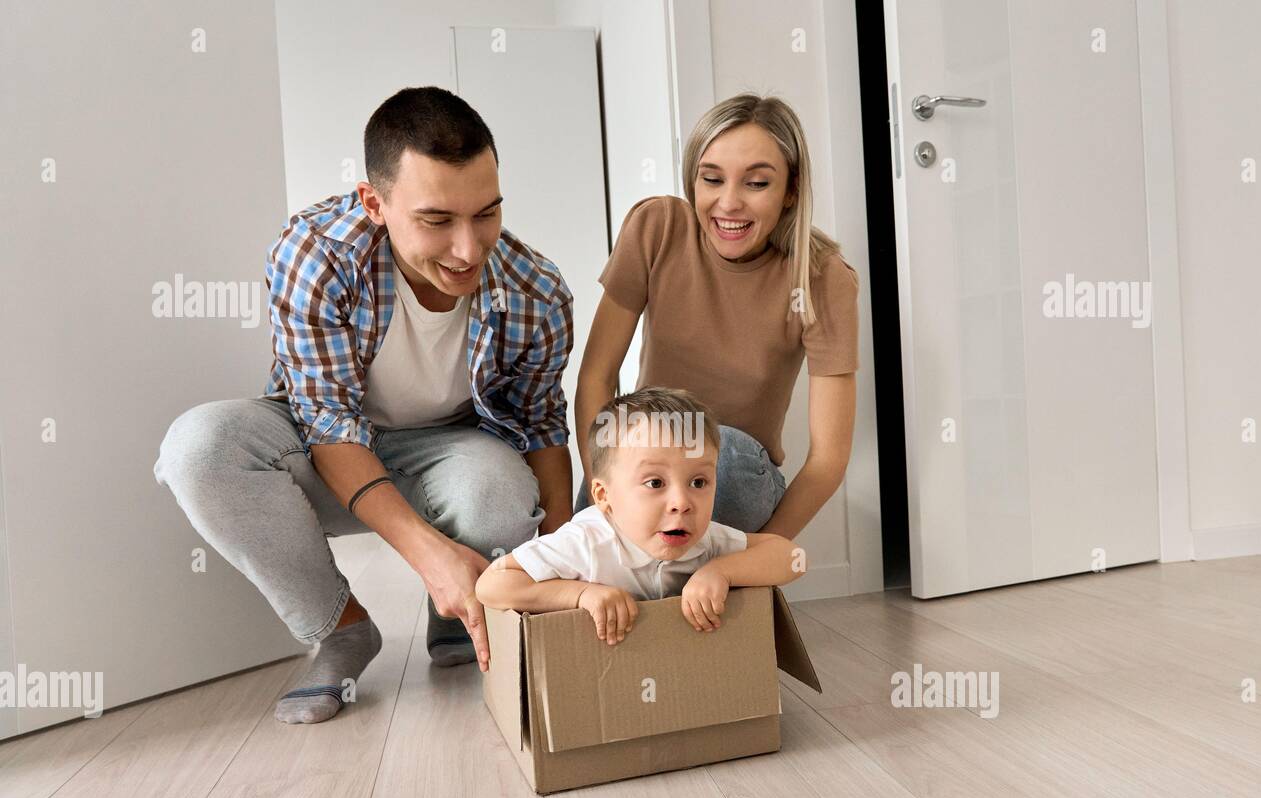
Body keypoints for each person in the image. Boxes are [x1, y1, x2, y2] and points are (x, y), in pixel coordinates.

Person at [153, 87, 575, 724]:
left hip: (445, 453)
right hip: (318, 448)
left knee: (502, 493)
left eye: (486, 213)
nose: (468, 249)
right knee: (199, 448)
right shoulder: (317, 252)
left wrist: (562, 566)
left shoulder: (534, 293)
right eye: (437, 220)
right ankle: (342, 629)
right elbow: (328, 426)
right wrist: (431, 558)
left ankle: (460, 611)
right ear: (375, 204)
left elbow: (541, 427)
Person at [574, 93, 860, 538]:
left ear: (791, 190)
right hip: (647, 456)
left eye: (756, 183)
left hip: (736, 467)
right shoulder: (657, 227)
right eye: (712, 179)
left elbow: (829, 459)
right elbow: (596, 375)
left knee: (710, 457)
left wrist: (763, 552)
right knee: (617, 488)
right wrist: (606, 492)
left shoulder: (822, 277)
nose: (728, 203)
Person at [476, 387, 804, 643]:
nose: (681, 502)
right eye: (655, 483)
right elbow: (491, 585)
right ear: (604, 497)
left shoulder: (706, 541)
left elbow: (792, 558)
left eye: (698, 482)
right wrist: (581, 594)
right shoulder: (587, 542)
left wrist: (720, 572)